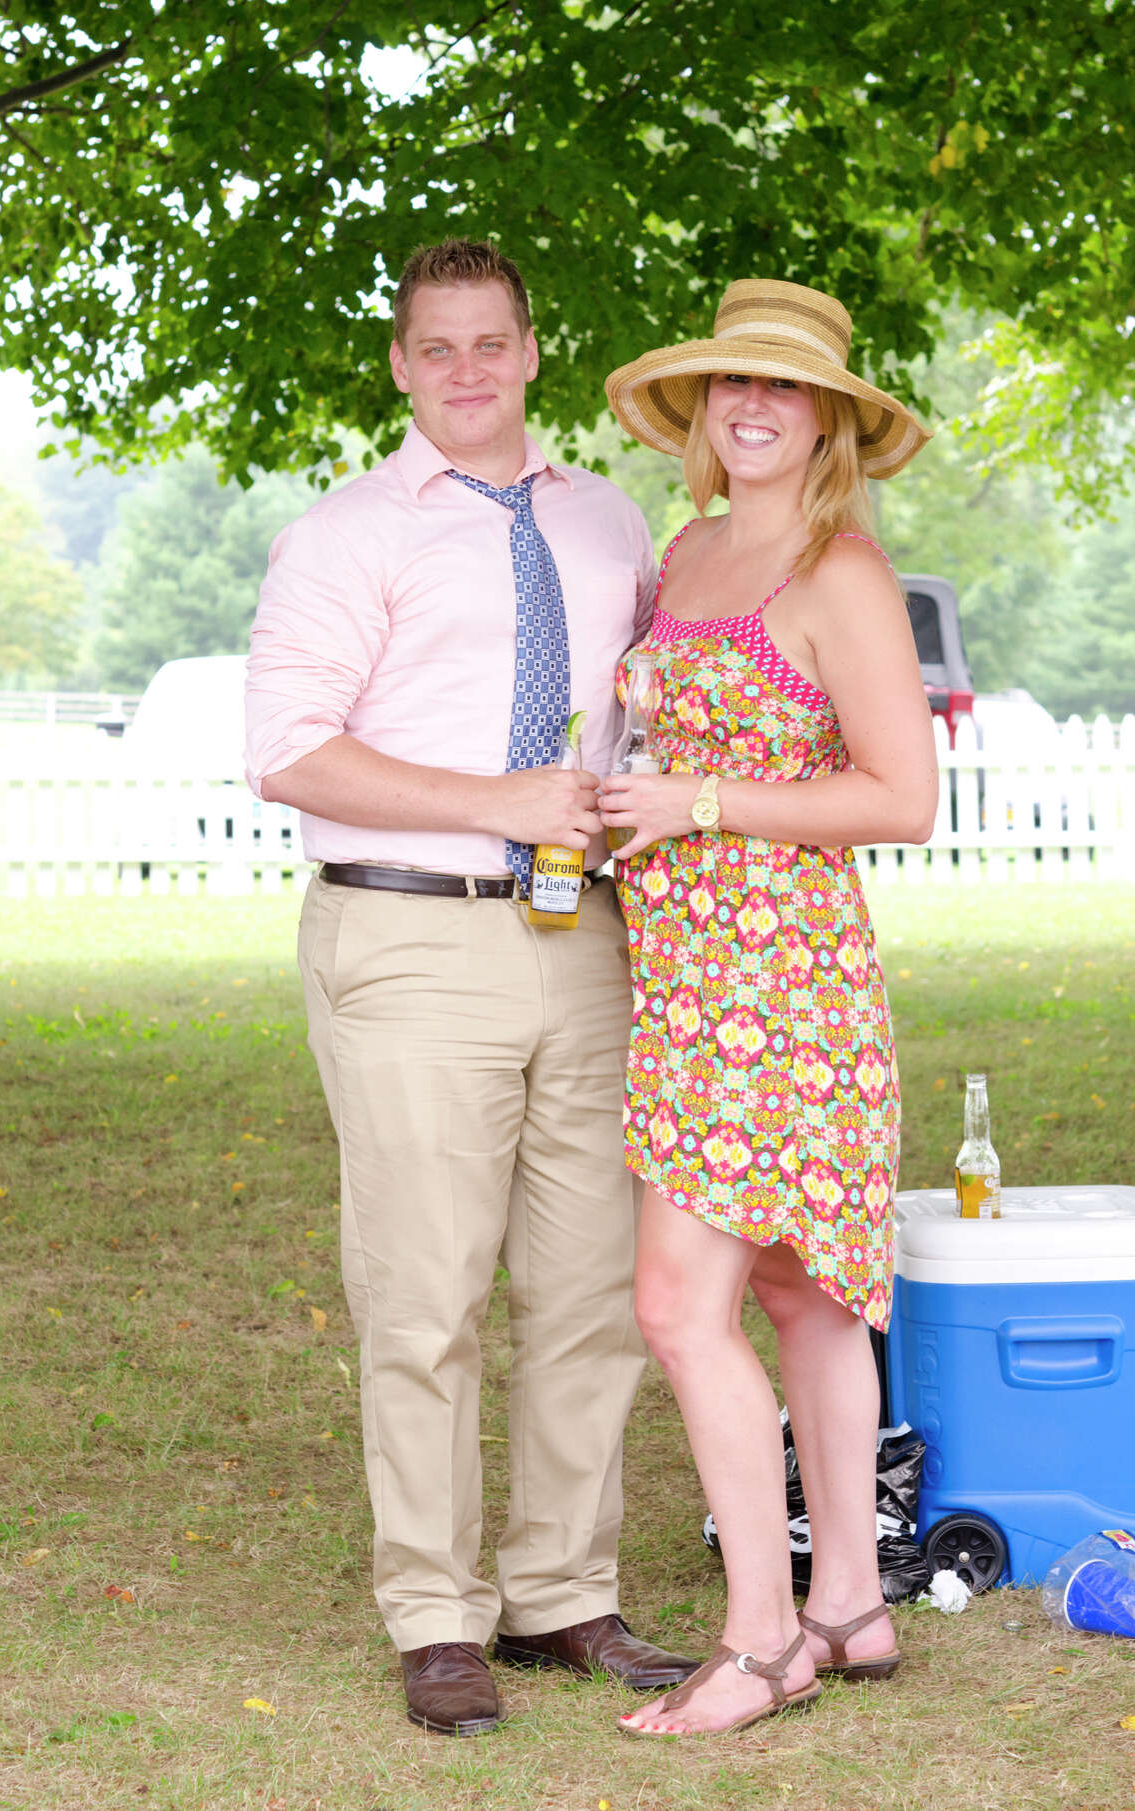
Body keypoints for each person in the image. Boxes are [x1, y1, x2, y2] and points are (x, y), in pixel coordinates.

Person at [243, 238, 699, 1738]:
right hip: (409, 939)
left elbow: (640, 713)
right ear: (399, 364)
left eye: (488, 343)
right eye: (435, 348)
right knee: (423, 1294)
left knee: (591, 1290)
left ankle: (564, 1593)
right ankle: (435, 1613)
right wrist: (493, 798)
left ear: (529, 352)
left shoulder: (610, 521)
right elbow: (293, 752)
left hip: (589, 938)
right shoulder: (344, 535)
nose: (464, 371)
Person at [596, 278, 938, 1738]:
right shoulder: (686, 550)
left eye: (783, 390)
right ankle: (850, 1605)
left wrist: (700, 798)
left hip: (782, 984)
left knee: (682, 1306)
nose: (750, 407)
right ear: (698, 410)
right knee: (798, 1289)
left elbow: (904, 801)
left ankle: (758, 1639)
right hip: (682, 970)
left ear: (829, 422)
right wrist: (633, 817)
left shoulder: (837, 568)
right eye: (730, 386)